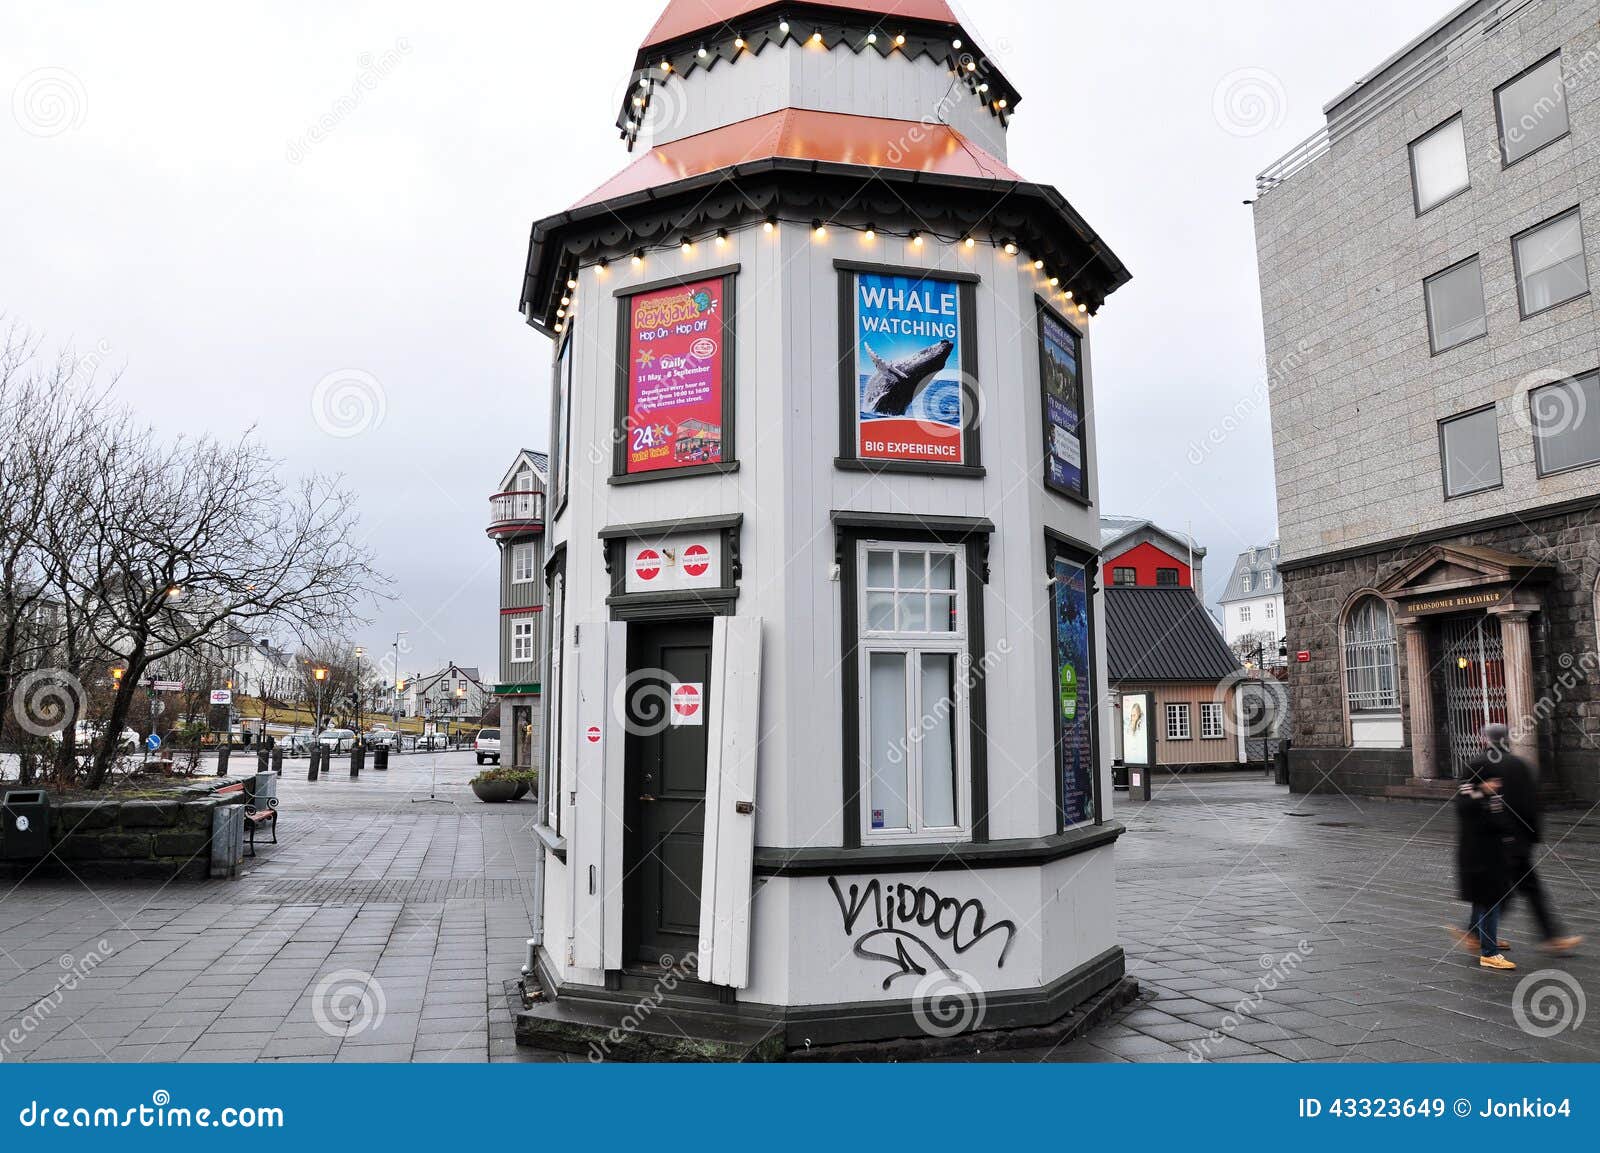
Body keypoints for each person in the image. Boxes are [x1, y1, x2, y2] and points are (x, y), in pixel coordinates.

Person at [1474, 724, 1582, 956]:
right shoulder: (1518, 765)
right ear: (1508, 739)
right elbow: (1530, 805)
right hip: (1516, 839)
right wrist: (1532, 835)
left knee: (1512, 889)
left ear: (1485, 740)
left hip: (1495, 838)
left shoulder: (1480, 765)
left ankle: (1476, 933)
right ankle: (1550, 937)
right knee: (1519, 889)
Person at [1455, 758, 1515, 970]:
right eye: (1493, 780)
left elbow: (1502, 821)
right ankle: (1489, 953)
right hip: (1479, 859)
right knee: (1490, 901)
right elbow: (1471, 812)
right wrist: (1484, 793)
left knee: (1485, 901)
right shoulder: (1470, 798)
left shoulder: (1491, 797)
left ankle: (1478, 936)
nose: (1497, 784)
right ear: (1481, 780)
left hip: (1492, 857)